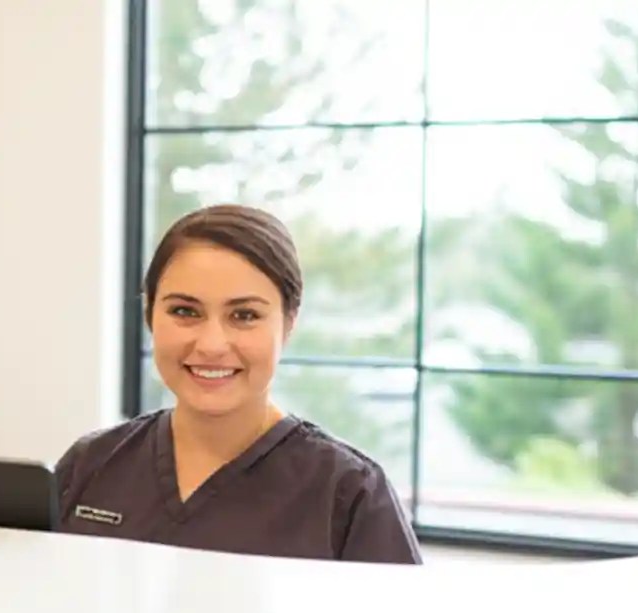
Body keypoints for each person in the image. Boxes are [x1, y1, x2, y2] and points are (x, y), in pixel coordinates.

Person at [55, 204, 421, 564]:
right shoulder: (90, 466)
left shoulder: (349, 494)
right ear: (150, 314)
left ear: (289, 323)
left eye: (244, 315)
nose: (212, 344)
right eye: (185, 311)